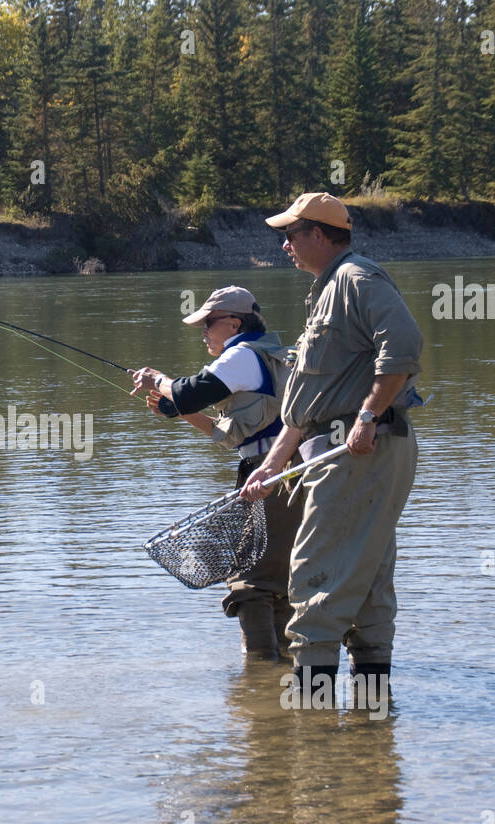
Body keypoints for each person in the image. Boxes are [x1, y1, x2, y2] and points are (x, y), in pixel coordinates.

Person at [239, 192, 423, 705]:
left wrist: (366, 417)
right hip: (342, 452)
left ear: (319, 235)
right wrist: (272, 465)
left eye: (292, 235)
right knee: (365, 582)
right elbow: (306, 404)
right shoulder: (326, 290)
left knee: (315, 575)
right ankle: (369, 726)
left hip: (359, 449)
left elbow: (403, 344)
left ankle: (314, 731)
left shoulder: (357, 278)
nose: (284, 245)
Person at [131, 286, 302, 658]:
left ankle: (259, 677)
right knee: (278, 579)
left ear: (234, 323)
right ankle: (282, 672)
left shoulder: (240, 354)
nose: (204, 331)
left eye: (209, 323)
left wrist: (157, 379)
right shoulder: (270, 354)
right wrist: (177, 411)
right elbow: (226, 434)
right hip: (288, 472)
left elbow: (190, 391)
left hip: (271, 476)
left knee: (249, 579)